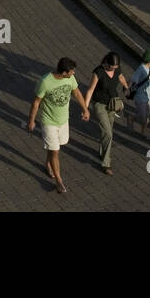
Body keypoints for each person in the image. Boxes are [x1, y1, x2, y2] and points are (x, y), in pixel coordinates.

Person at [27, 57, 90, 194]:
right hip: (48, 121)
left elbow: (77, 93)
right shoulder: (45, 82)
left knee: (56, 147)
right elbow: (36, 102)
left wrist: (85, 109)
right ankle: (59, 181)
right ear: (64, 73)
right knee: (55, 151)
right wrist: (31, 121)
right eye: (71, 72)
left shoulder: (70, 78)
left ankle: (48, 164)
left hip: (63, 121)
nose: (73, 74)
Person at [83, 52, 131, 175]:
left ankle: (102, 152)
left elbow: (120, 76)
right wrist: (85, 108)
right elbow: (90, 90)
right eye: (112, 67)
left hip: (112, 104)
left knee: (107, 131)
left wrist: (126, 86)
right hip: (100, 105)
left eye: (116, 67)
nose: (114, 69)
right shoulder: (98, 72)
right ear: (107, 64)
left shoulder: (116, 68)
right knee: (108, 133)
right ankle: (106, 164)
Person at [129, 48, 150, 136]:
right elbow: (133, 80)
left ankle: (142, 131)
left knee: (148, 116)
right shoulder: (141, 69)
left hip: (148, 96)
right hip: (140, 97)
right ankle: (132, 119)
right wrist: (128, 89)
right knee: (143, 116)